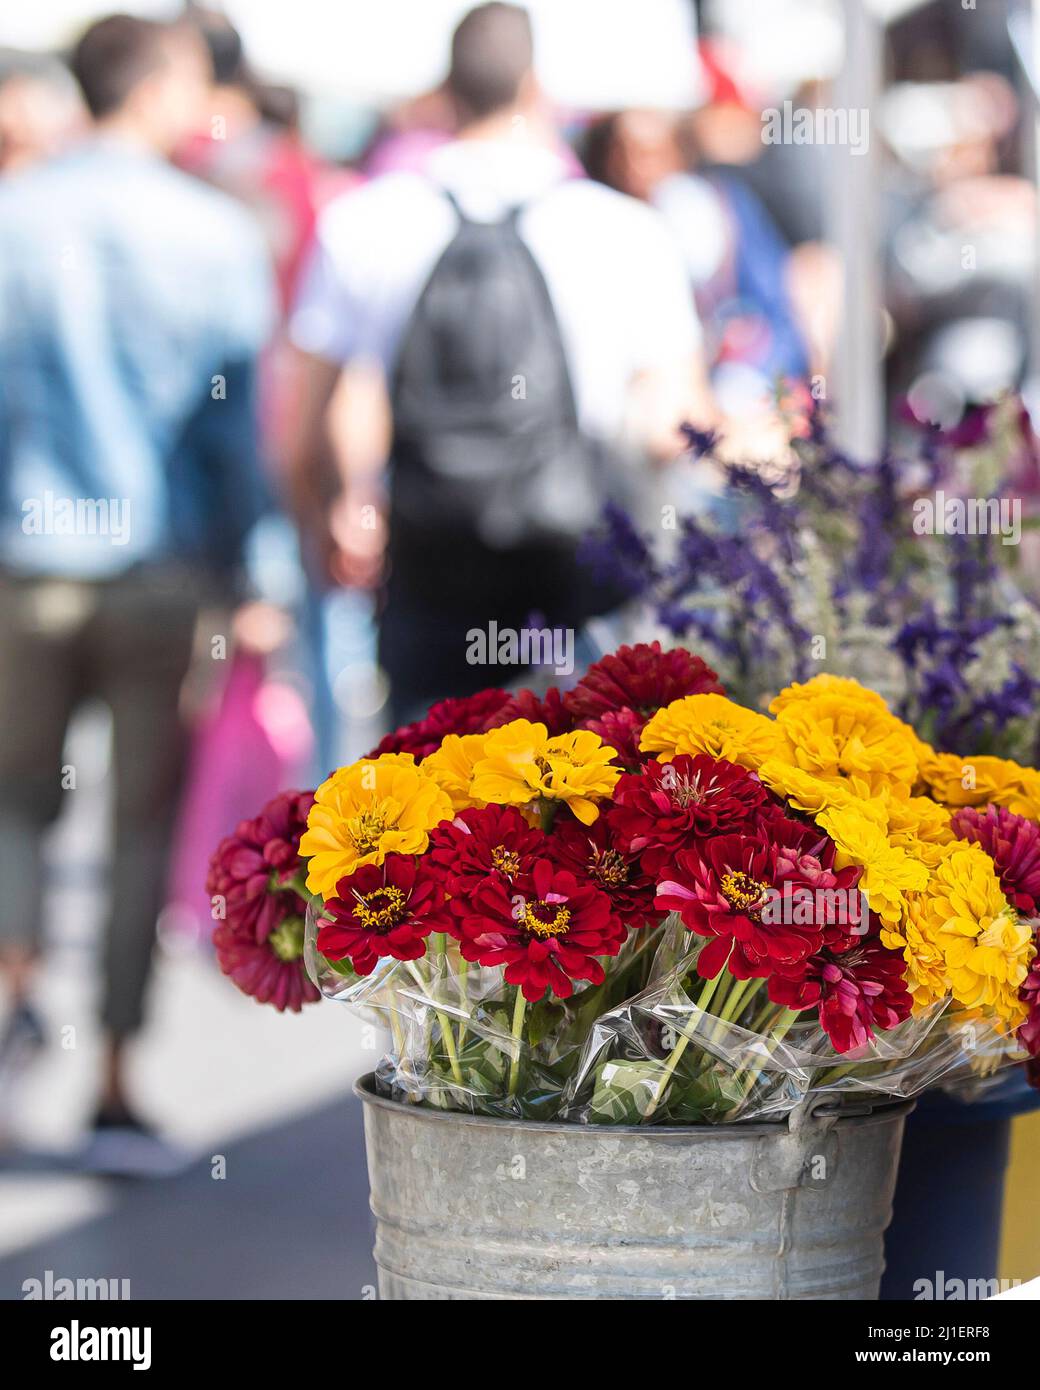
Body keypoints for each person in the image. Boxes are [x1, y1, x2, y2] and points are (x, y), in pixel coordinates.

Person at [0, 14, 274, 1166]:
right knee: (135, 826)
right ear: (158, 84)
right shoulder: (210, 229)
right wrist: (251, 575)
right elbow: (230, 428)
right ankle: (111, 1080)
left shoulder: (15, 213)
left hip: (27, 559)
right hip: (160, 569)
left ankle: (15, 1006)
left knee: (14, 803)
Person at [288, 2, 707, 723]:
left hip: (428, 579)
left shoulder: (365, 221)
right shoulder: (626, 231)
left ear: (447, 90)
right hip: (576, 580)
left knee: (425, 808)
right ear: (535, 87)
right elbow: (677, 425)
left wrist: (326, 520)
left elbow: (298, 430)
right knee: (577, 808)